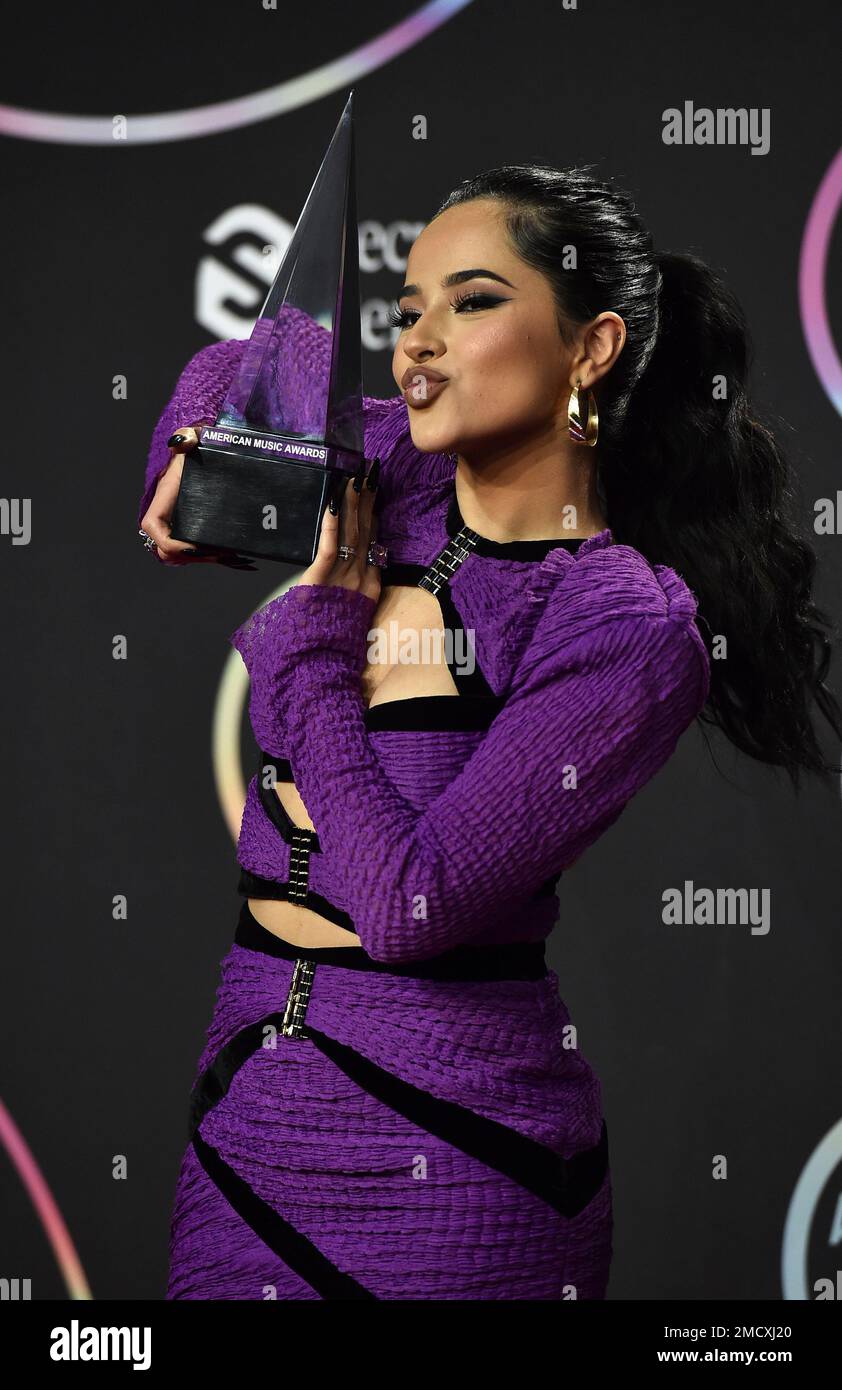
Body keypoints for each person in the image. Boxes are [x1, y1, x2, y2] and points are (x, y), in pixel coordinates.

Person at [138, 164, 842, 1301]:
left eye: (469, 304)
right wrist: (188, 450)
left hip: (455, 1169)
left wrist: (315, 642)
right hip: (245, 1134)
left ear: (590, 346)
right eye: (405, 310)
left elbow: (412, 904)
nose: (417, 342)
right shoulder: (394, 479)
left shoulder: (619, 620)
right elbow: (245, 367)